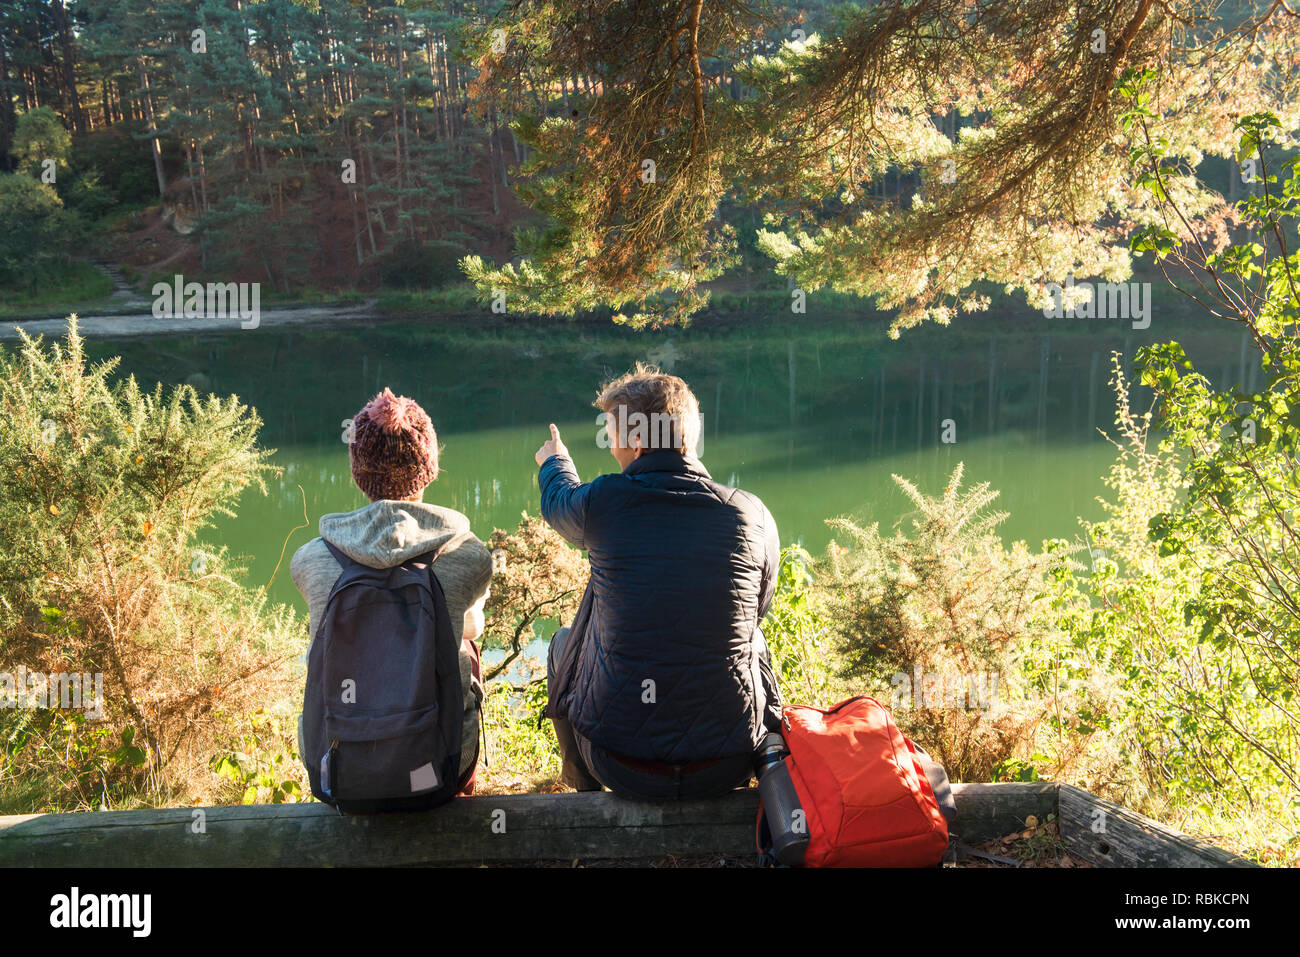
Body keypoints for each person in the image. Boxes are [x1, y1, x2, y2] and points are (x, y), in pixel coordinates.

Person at [535, 364, 783, 800]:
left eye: (611, 432)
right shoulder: (752, 513)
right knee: (753, 640)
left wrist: (556, 461)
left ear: (634, 440)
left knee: (561, 644)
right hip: (726, 762)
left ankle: (585, 793)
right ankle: (772, 769)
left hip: (621, 762)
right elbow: (757, 609)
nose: (610, 444)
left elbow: (559, 504)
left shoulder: (605, 501)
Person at [292, 387, 492, 795]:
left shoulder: (310, 559)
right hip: (433, 773)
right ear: (429, 467)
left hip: (340, 773)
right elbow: (472, 627)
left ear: (357, 471)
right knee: (466, 647)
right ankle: (447, 792)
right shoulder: (469, 555)